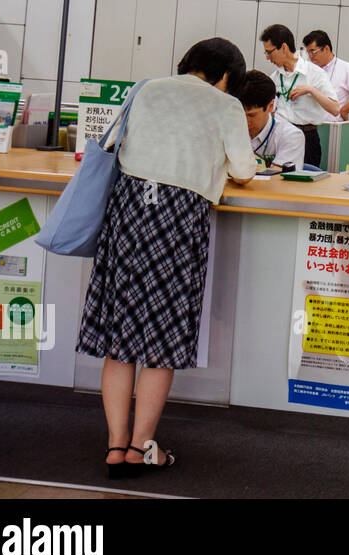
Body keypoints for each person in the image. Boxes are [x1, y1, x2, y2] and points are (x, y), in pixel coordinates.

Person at [76, 38, 256, 477]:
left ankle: (115, 446)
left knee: (120, 339)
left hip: (129, 212)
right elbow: (246, 171)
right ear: (228, 75)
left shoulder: (146, 88)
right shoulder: (225, 105)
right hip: (177, 221)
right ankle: (142, 449)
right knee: (158, 341)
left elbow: (113, 144)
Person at [260, 24, 338, 169]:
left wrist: (311, 90)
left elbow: (335, 108)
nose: (267, 58)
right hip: (281, 135)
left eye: (269, 52)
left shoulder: (314, 73)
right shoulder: (275, 77)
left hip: (307, 137)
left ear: (283, 47)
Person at [238, 70, 306, 169]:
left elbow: (278, 179)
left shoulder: (291, 136)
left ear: (270, 106)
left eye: (251, 115)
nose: (245, 122)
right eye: (240, 115)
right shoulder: (226, 130)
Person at [302, 30, 349, 122]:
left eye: (313, 51)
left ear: (326, 49)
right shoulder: (308, 69)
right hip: (308, 126)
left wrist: (344, 110)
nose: (310, 56)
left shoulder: (346, 69)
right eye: (308, 53)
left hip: (332, 126)